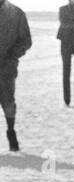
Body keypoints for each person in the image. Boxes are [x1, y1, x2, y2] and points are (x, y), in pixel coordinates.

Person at [0, 0, 31, 151]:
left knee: (8, 102)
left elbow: (26, 40)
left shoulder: (17, 13)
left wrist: (12, 54)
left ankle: (11, 132)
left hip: (6, 68)